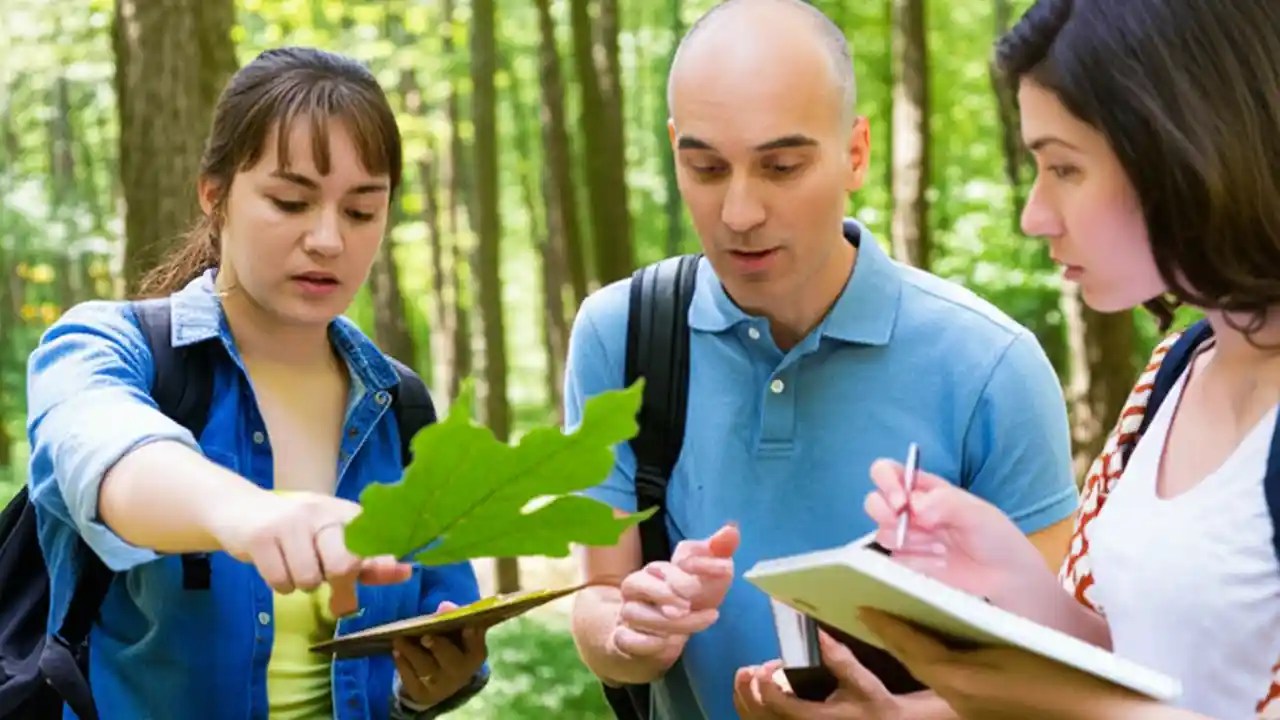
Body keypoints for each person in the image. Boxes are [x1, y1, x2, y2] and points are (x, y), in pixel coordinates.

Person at [561, 1, 1081, 718]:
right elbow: (596, 598)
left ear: (856, 153)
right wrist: (630, 633)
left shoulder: (993, 367)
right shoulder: (620, 336)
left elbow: (1050, 675)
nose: (739, 212)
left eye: (781, 166)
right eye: (707, 167)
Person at [836, 1, 1280, 718]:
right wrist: (1017, 580)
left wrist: (1072, 706)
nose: (1034, 215)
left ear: (1183, 151)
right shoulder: (1174, 373)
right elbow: (1156, 668)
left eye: (1065, 168)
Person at [24, 47, 488, 719]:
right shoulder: (110, 346)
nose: (327, 239)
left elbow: (439, 614)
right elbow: (99, 447)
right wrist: (245, 513)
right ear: (214, 195)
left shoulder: (402, 408)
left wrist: (428, 688)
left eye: (361, 212)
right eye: (290, 201)